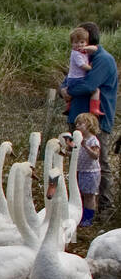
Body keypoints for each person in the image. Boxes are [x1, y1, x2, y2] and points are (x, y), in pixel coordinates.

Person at [61, 21, 117, 214]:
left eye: (82, 41)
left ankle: (105, 207)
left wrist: (69, 90)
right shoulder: (80, 57)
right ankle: (78, 208)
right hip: (77, 116)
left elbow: (89, 85)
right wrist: (63, 90)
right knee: (76, 160)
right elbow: (70, 76)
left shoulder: (103, 60)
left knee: (99, 162)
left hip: (96, 120)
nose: (79, 46)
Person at [65, 26, 103, 117]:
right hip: (76, 79)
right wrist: (91, 68)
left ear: (87, 42)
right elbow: (82, 65)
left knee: (73, 92)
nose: (79, 45)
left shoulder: (82, 51)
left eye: (82, 42)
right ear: (72, 43)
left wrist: (87, 47)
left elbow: (96, 48)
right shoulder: (76, 53)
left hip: (74, 78)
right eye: (76, 42)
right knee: (96, 90)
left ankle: (69, 106)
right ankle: (94, 109)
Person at [74, 112, 102, 227]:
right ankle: (81, 216)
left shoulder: (93, 140)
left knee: (89, 196)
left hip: (91, 172)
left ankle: (88, 218)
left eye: (80, 124)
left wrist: (86, 146)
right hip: (81, 170)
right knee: (81, 193)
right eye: (77, 124)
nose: (77, 126)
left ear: (89, 125)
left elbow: (95, 155)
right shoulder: (78, 139)